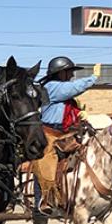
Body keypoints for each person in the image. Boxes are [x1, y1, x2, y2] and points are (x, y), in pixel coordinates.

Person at [34, 57, 101, 215]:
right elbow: (74, 88)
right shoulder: (52, 87)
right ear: (60, 73)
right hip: (50, 132)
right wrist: (93, 78)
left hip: (67, 133)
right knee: (46, 160)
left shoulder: (61, 90)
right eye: (69, 72)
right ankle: (44, 199)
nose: (71, 75)